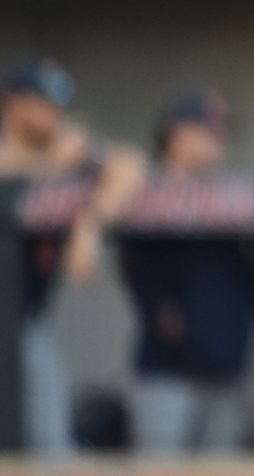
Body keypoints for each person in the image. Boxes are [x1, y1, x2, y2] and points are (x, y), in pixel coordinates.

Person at [0, 55, 145, 456]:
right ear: (13, 104)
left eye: (57, 106)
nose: (52, 116)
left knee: (53, 446)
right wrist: (49, 165)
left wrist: (90, 225)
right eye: (41, 104)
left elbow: (130, 165)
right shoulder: (36, 154)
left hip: (26, 320)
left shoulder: (64, 148)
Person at [121, 88, 254, 455]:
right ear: (176, 133)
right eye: (208, 131)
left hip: (228, 373)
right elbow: (135, 265)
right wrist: (163, 310)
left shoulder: (232, 198)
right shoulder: (140, 188)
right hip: (167, 374)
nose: (220, 141)